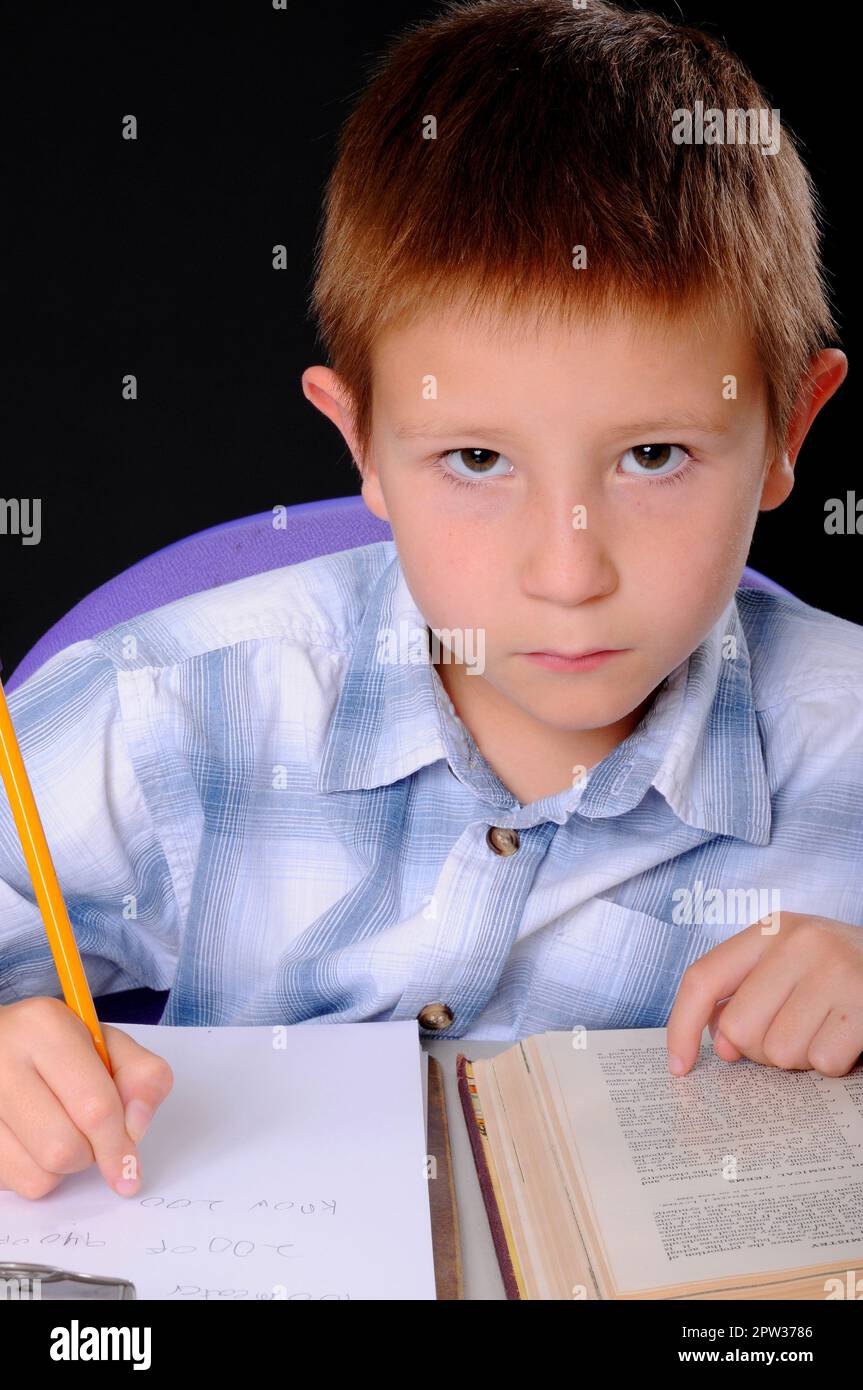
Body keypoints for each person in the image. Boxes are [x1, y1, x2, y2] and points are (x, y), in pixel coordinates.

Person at [0, 0, 859, 1206]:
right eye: (474, 461)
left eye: (653, 456)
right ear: (360, 443)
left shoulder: (847, 734)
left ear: (787, 429)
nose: (567, 572)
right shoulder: (185, 708)